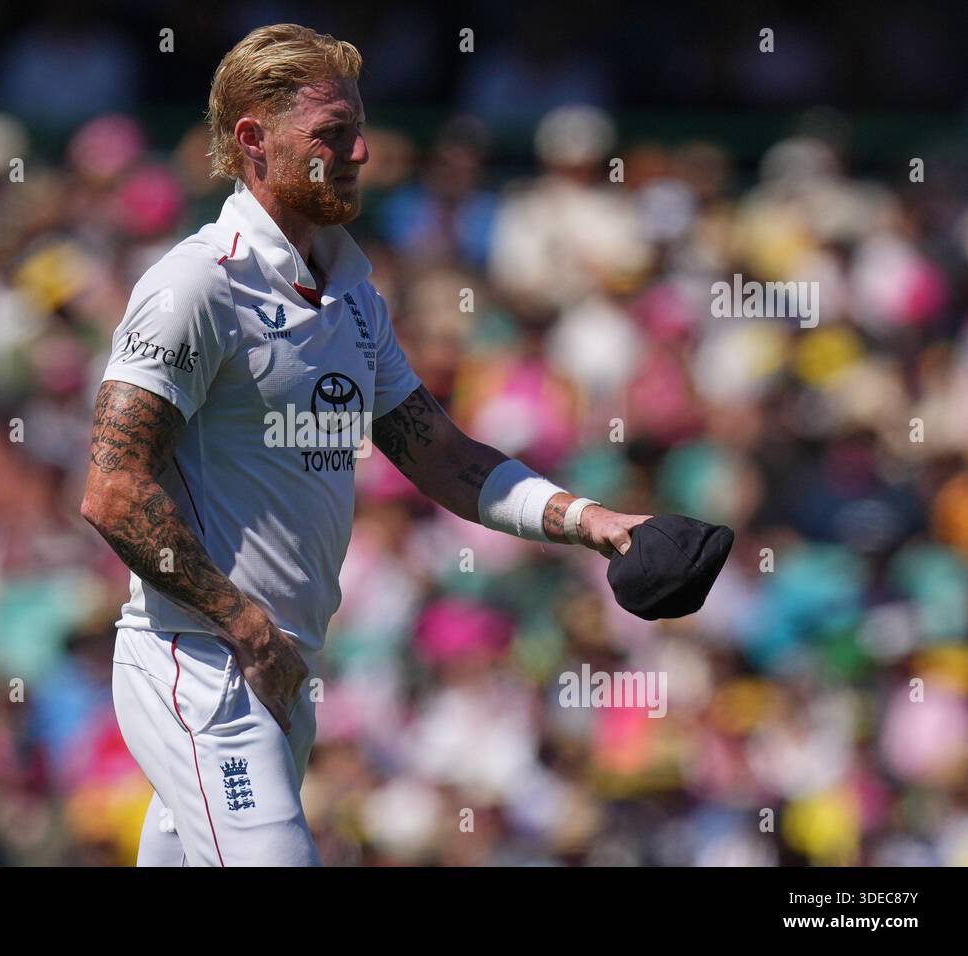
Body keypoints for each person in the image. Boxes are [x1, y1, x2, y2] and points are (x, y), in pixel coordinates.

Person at [80, 22, 649, 866]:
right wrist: (243, 623)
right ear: (253, 141)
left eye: (358, 129)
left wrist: (592, 521)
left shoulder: (351, 297)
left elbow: (443, 456)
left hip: (277, 667)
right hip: (197, 663)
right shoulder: (197, 285)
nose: (360, 152)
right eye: (331, 134)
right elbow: (112, 491)